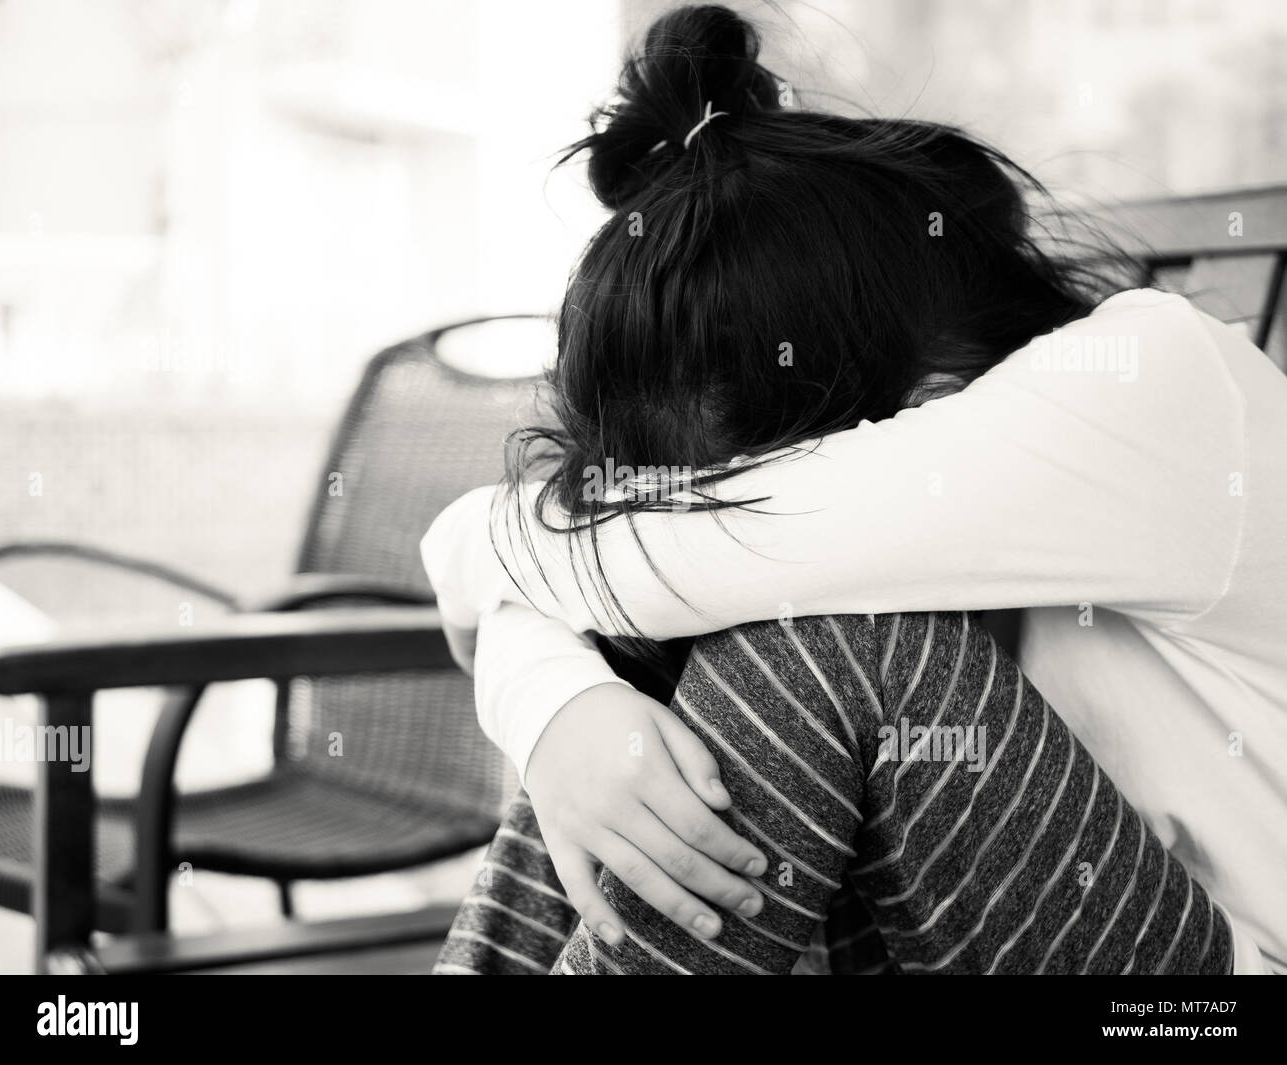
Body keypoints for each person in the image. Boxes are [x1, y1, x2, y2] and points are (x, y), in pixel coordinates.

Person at [421, 4, 1286, 974]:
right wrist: (561, 709)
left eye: (756, 477)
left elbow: (537, 550)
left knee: (832, 643)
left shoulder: (1153, 384)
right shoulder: (952, 466)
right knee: (634, 697)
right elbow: (576, 565)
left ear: (927, 402)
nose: (678, 519)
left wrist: (506, 617)